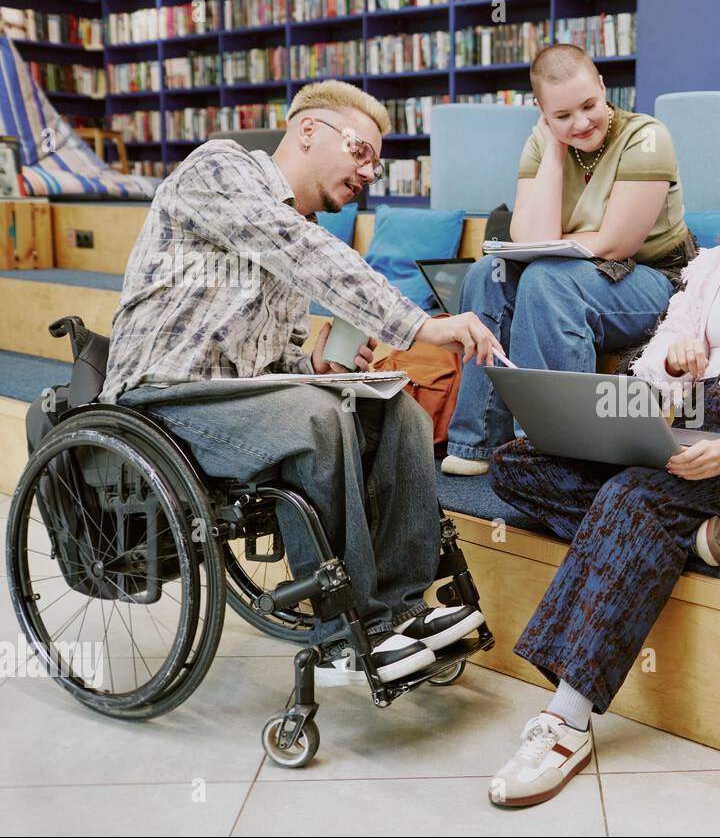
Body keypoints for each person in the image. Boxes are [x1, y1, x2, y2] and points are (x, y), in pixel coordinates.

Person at [484, 116, 720, 806]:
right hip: (687, 423)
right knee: (516, 462)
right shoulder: (715, 263)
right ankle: (684, 538)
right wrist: (673, 362)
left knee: (634, 497)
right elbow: (660, 355)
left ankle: (566, 719)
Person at [100, 80, 499, 683]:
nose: (369, 172)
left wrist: (314, 365)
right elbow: (297, 247)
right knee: (314, 420)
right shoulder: (220, 169)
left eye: (377, 163)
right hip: (160, 396)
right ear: (309, 130)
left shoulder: (294, 233)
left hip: (236, 402)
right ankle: (346, 626)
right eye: (361, 151)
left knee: (398, 411)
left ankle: (400, 609)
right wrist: (418, 325)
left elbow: (276, 362)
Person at [441, 43, 697, 476]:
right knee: (488, 273)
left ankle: (550, 452)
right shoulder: (543, 144)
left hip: (657, 278)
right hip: (579, 271)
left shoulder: (647, 136)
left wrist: (559, 240)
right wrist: (556, 151)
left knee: (546, 280)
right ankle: (476, 443)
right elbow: (530, 237)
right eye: (562, 116)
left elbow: (618, 243)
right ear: (540, 111)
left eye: (589, 105)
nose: (580, 123)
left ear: (601, 85)